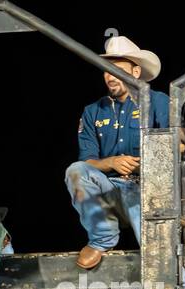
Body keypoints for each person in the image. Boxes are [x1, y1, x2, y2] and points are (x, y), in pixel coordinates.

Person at [65, 35, 169, 269]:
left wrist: (145, 163)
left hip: (150, 189)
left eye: (116, 70)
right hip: (110, 190)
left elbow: (179, 146)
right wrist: (112, 162)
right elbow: (87, 161)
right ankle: (102, 238)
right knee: (76, 171)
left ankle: (161, 260)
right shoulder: (93, 111)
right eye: (106, 70)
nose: (109, 76)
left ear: (134, 72)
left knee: (157, 259)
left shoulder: (158, 101)